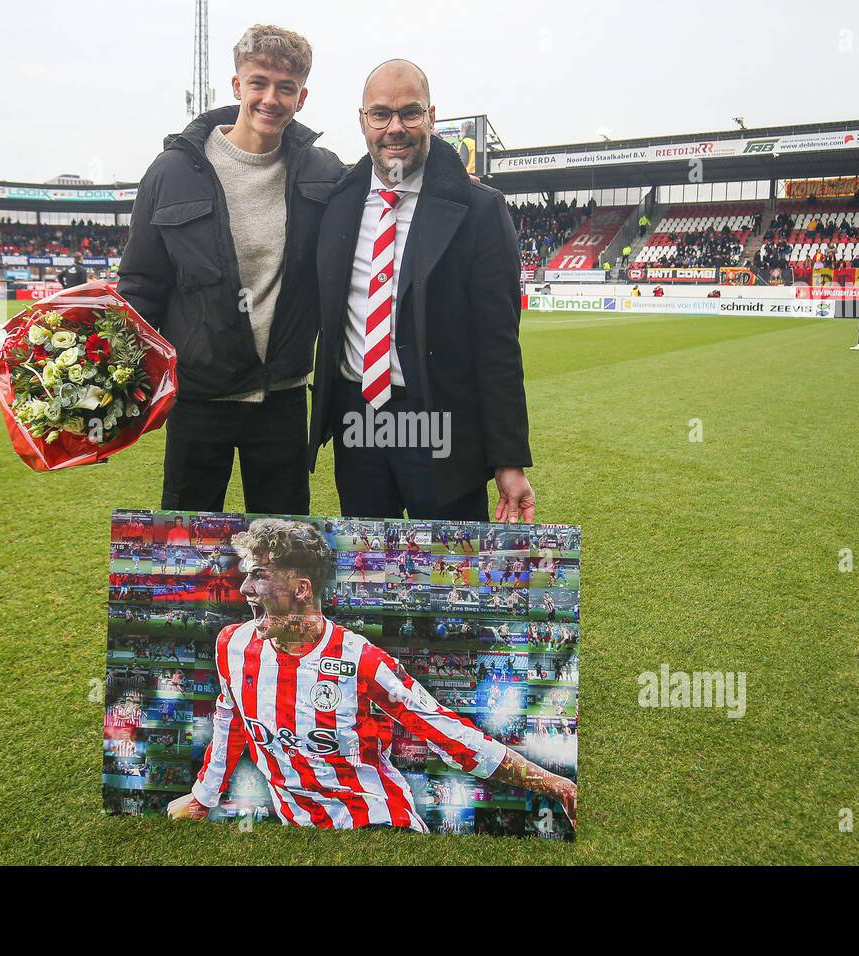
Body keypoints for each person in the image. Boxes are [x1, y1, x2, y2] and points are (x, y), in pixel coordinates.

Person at [165, 518, 576, 830]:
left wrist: (554, 785)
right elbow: (231, 721)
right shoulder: (232, 645)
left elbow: (449, 734)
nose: (244, 590)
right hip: (297, 828)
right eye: (246, 575)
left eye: (259, 575)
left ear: (302, 589)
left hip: (376, 822)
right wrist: (203, 797)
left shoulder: (362, 661)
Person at [117, 24, 345, 514]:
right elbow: (141, 284)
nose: (271, 98)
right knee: (189, 539)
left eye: (286, 87)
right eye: (259, 82)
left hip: (282, 397)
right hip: (199, 397)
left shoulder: (324, 171)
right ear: (238, 85)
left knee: (284, 542)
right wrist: (119, 377)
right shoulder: (172, 171)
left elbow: (384, 190)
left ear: (302, 97)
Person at [308, 60, 534, 523]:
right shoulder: (338, 203)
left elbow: (498, 345)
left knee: (454, 562)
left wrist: (508, 460)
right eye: (380, 114)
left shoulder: (480, 210)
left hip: (439, 423)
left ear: (431, 117)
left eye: (410, 112)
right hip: (358, 418)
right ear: (362, 120)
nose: (395, 127)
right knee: (368, 560)